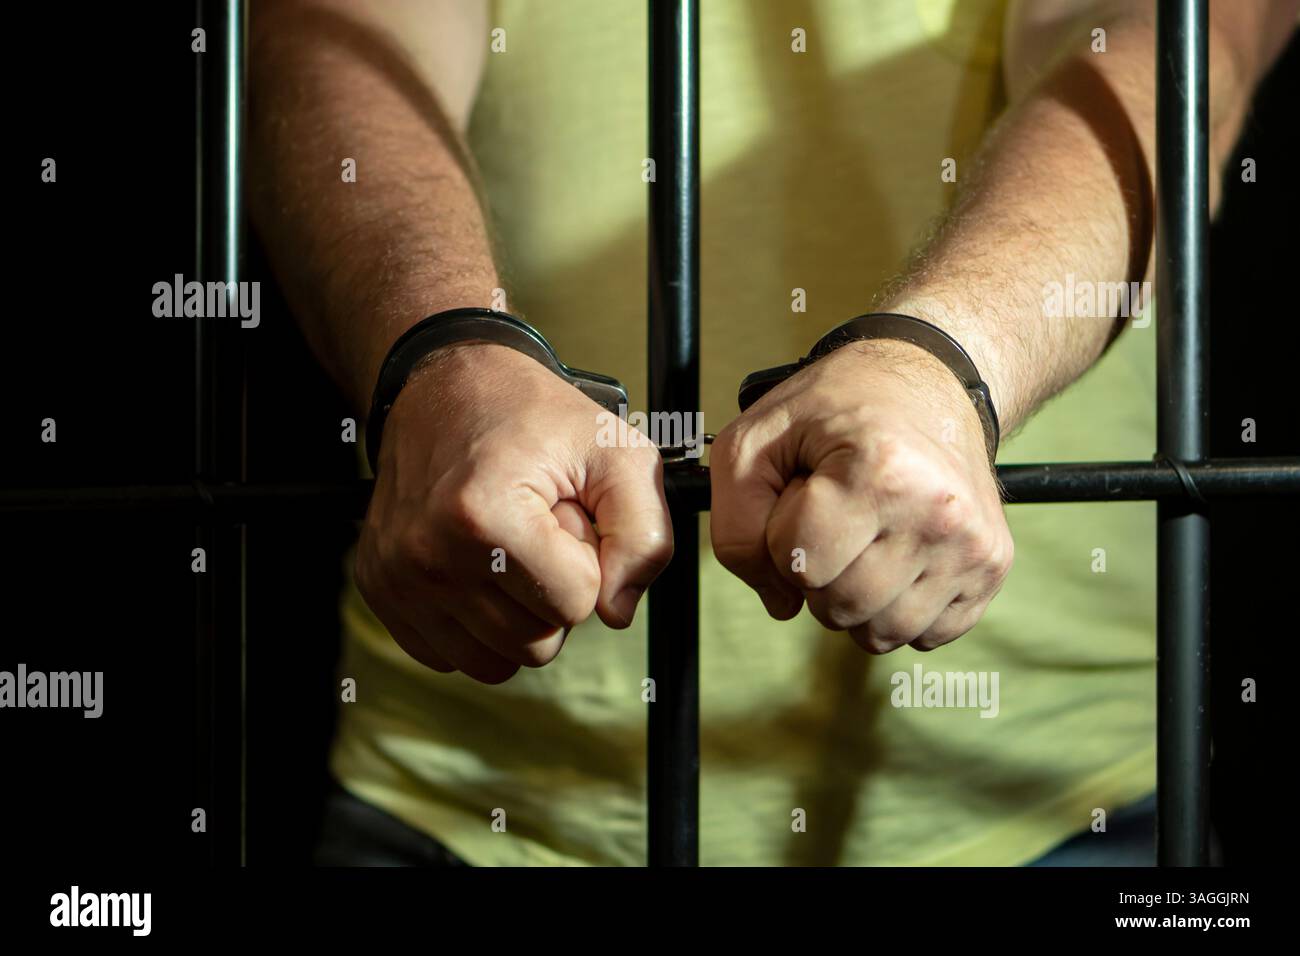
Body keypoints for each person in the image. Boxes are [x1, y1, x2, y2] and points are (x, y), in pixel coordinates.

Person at [247, 0, 1297, 866]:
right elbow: (331, 29)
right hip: (460, 794)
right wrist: (440, 348)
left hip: (1047, 801)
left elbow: (1176, 39)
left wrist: (941, 365)